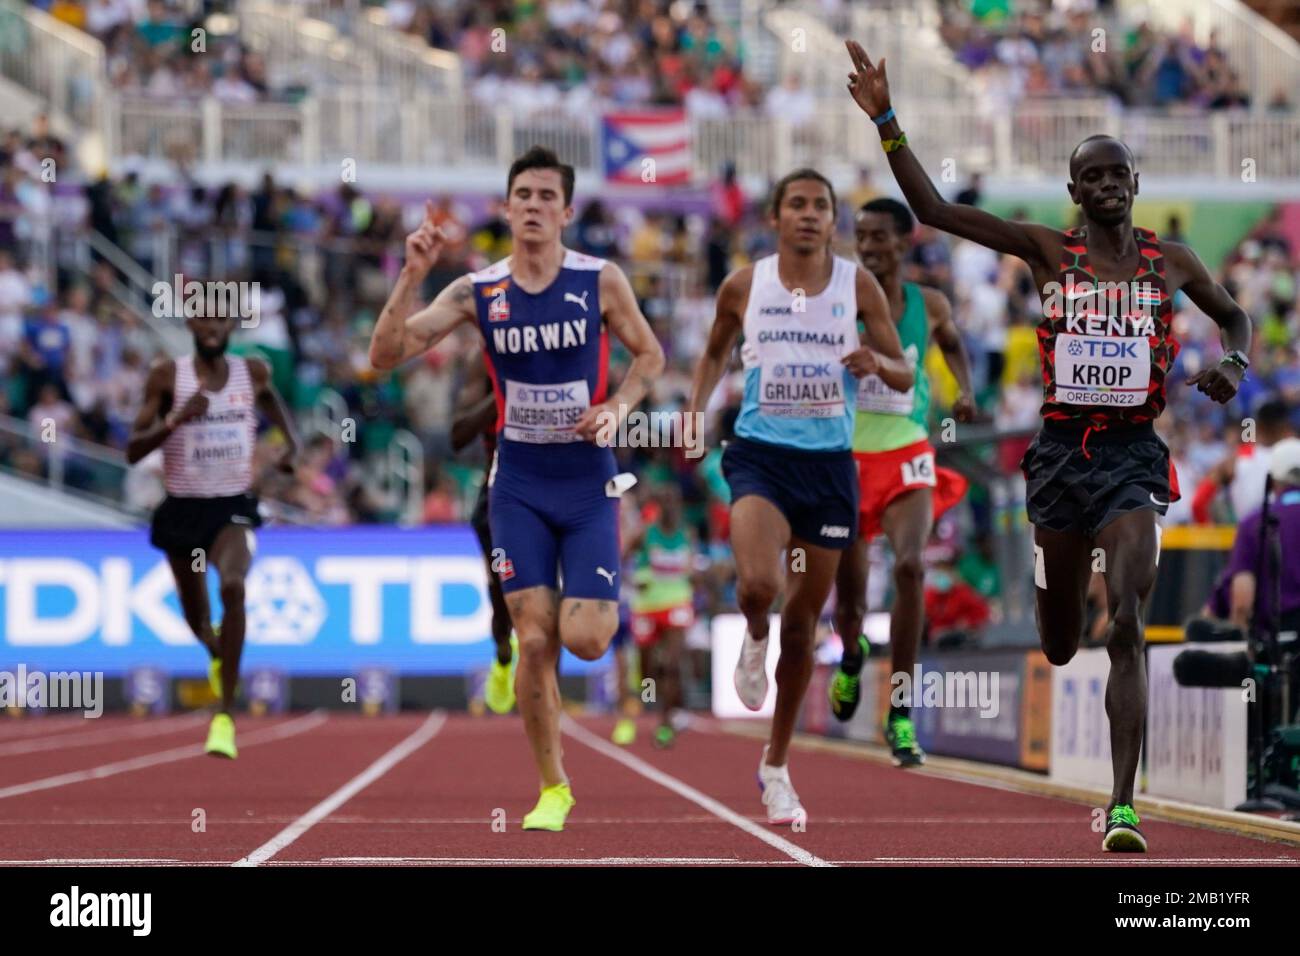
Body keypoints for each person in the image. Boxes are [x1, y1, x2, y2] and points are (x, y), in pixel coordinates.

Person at [845, 39, 1252, 851]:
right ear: (1074, 191)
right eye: (1090, 176)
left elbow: (1233, 315)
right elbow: (935, 212)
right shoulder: (1045, 250)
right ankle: (1049, 576)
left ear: (1135, 185)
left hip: (1135, 455)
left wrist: (1236, 359)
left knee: (1127, 621)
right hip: (1062, 458)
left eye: (1117, 174)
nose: (1105, 185)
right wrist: (887, 119)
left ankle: (1124, 804)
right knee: (1062, 644)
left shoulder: (1172, 263)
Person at [369, 146, 664, 832]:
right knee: (535, 640)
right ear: (506, 210)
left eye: (545, 196)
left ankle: (565, 632)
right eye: (521, 195)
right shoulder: (479, 291)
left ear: (565, 211)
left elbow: (649, 355)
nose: (532, 206)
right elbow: (383, 355)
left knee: (586, 639)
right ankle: (552, 787)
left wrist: (618, 408)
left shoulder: (601, 280)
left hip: (588, 481)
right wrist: (412, 275)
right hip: (519, 486)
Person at [688, 167, 908, 824]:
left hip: (828, 470)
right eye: (797, 204)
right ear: (776, 217)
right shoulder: (744, 285)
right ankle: (752, 631)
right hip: (761, 459)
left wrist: (877, 363)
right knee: (758, 585)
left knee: (805, 627)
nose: (809, 215)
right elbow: (712, 354)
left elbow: (901, 371)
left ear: (832, 221)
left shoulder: (856, 284)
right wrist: (696, 414)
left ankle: (776, 767)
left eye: (820, 206)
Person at [828, 198, 976, 767]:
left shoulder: (929, 303)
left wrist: (963, 390)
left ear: (904, 242)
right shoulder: (842, 301)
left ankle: (901, 712)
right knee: (852, 593)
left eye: (879, 237)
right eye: (860, 237)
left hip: (908, 449)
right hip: (847, 455)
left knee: (912, 566)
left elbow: (955, 344)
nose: (868, 247)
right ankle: (850, 653)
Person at [127, 311, 298, 758]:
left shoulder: (253, 371)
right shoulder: (167, 376)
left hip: (232, 506)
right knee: (198, 619)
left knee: (234, 586)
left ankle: (224, 715)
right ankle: (215, 649)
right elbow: (131, 450)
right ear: (190, 328)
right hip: (183, 509)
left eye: (220, 324)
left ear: (230, 330)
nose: (212, 331)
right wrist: (175, 421)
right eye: (204, 323)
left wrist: (290, 446)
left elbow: (274, 403)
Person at [450, 350, 515, 714]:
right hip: (497, 495)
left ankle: (544, 688)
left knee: (546, 597)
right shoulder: (486, 360)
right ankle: (504, 656)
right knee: (502, 591)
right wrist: (507, 393)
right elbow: (457, 435)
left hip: (549, 490)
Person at [630, 485, 696, 748]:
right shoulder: (646, 533)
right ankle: (655, 693)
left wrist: (695, 574)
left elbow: (691, 567)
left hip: (677, 603)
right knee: (648, 670)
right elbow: (621, 554)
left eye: (673, 501)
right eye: (665, 501)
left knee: (671, 664)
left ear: (678, 506)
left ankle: (666, 724)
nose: (669, 507)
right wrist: (634, 578)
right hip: (647, 606)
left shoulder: (686, 534)